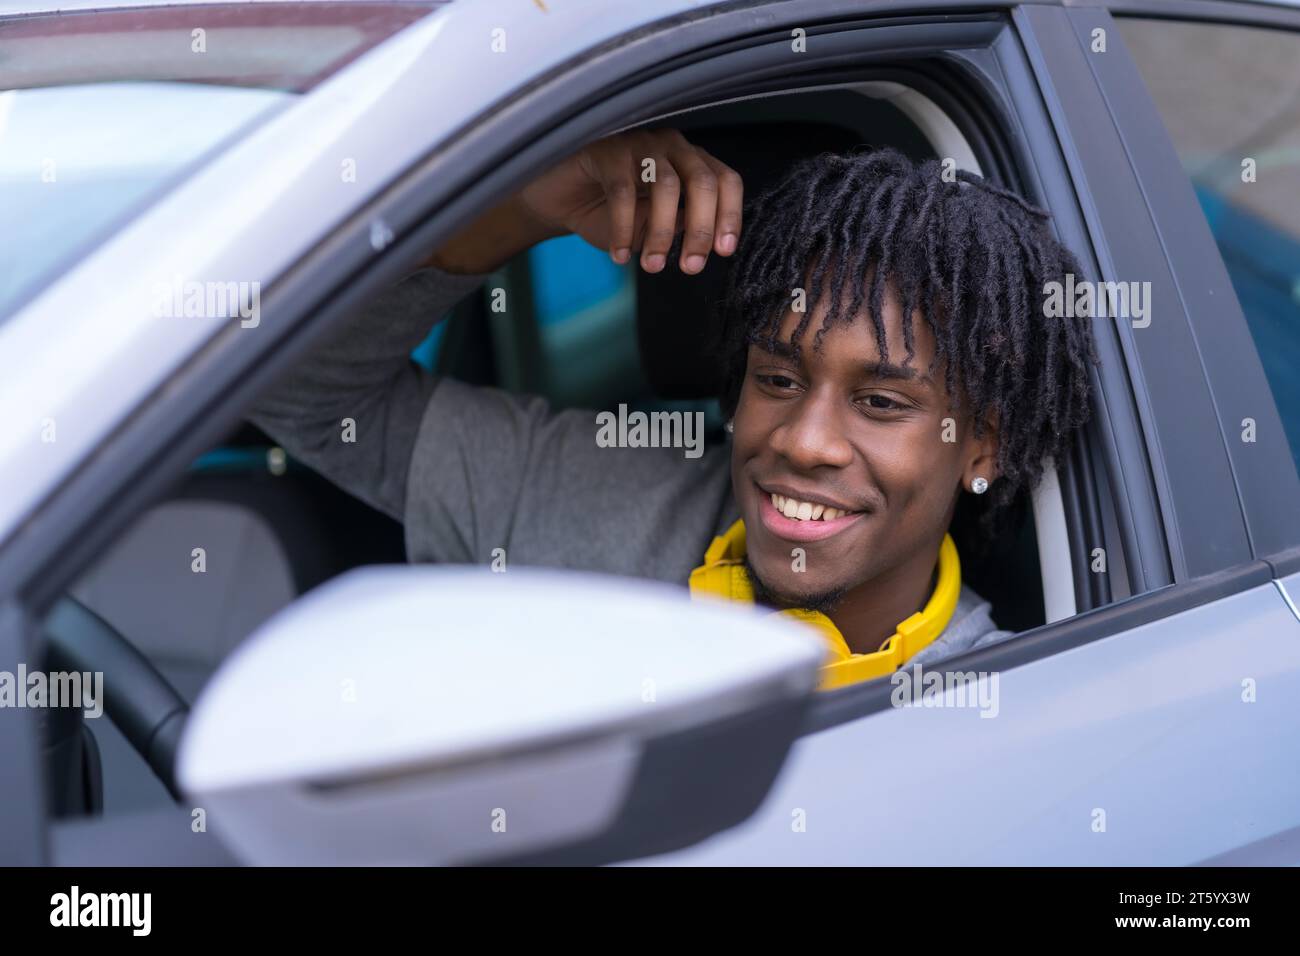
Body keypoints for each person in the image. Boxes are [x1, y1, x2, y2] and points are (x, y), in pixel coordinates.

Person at [249, 128, 1096, 690]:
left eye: (879, 402)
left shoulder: (1010, 713)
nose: (804, 442)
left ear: (983, 446)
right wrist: (512, 214)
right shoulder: (571, 496)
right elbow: (298, 393)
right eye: (778, 380)